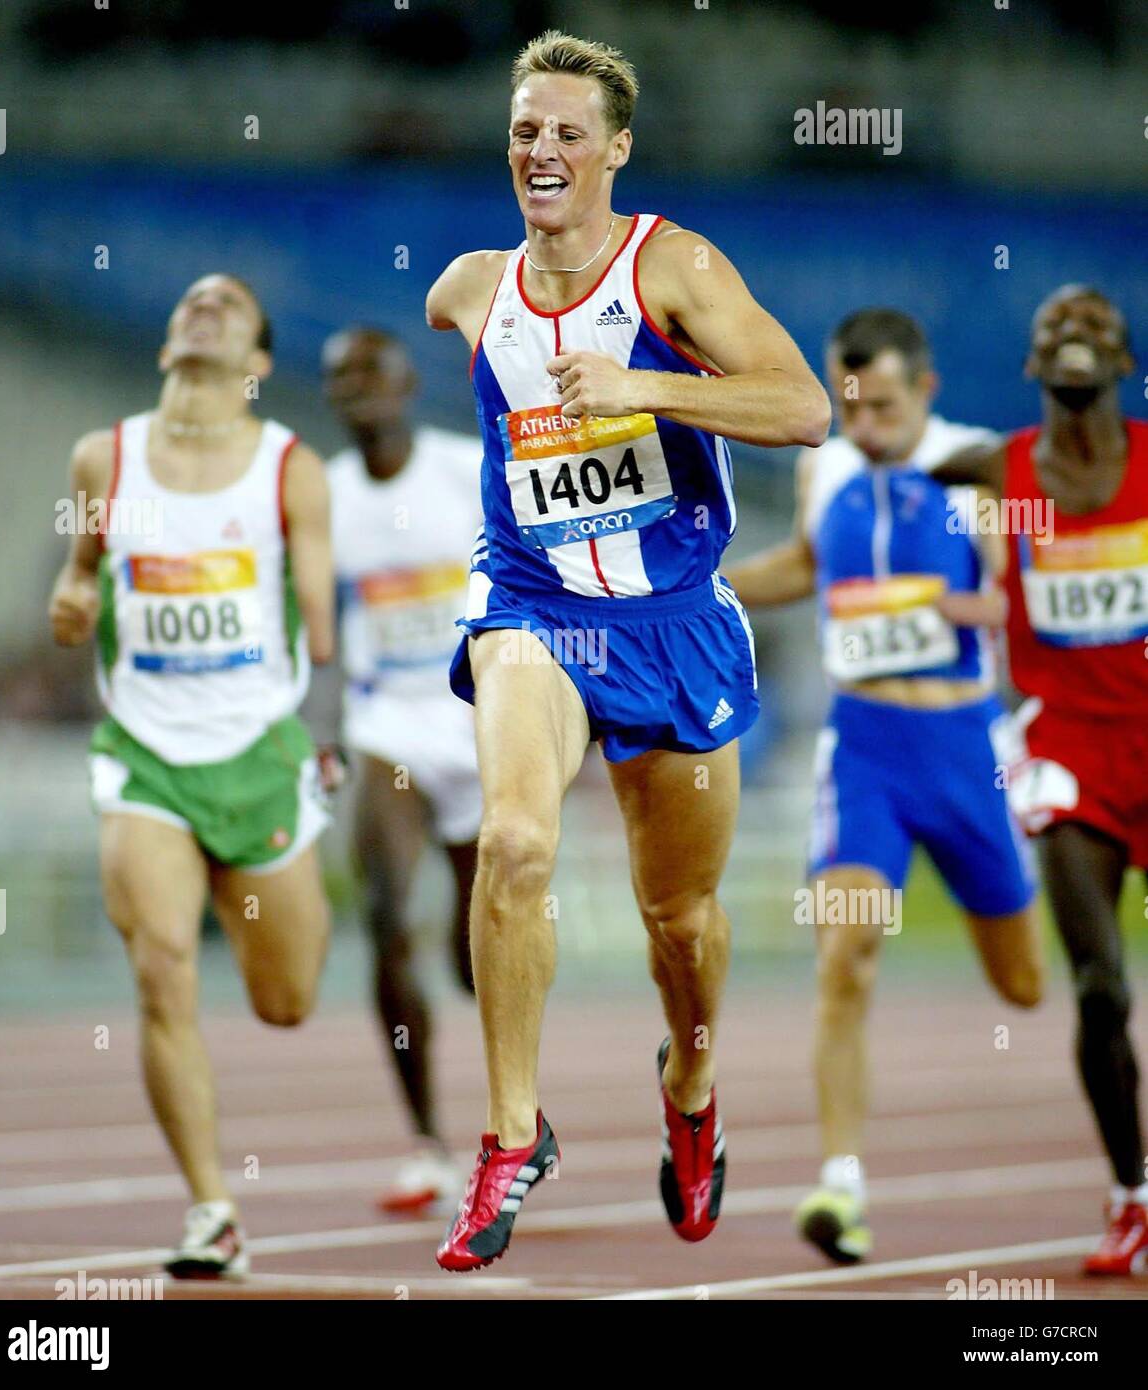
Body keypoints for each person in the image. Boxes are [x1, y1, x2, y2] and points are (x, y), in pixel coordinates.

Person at [424, 29, 829, 1271]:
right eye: (524, 130)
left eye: (564, 131)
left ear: (614, 149)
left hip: (672, 624)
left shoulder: (674, 267)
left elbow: (803, 407)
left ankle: (691, 1096)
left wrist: (649, 389)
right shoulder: (465, 289)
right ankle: (508, 1133)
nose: (540, 149)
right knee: (514, 842)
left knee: (680, 922)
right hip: (533, 606)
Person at [727, 307, 1043, 1263]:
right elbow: (805, 566)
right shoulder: (824, 462)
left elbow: (1018, 594)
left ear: (928, 390)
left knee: (1023, 984)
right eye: (850, 404)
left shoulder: (981, 465)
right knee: (847, 955)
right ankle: (840, 1185)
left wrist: (960, 602)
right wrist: (707, 589)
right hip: (862, 745)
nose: (862, 426)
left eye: (885, 407)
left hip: (964, 747)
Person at [48, 273, 334, 1279]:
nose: (202, 306)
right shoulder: (104, 455)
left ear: (257, 362)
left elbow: (323, 629)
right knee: (162, 963)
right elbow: (81, 567)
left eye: (230, 305)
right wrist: (73, 593)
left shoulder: (290, 469)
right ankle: (212, 1206)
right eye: (190, 301)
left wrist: (328, 738)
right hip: (145, 756)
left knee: (288, 997)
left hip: (259, 753)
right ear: (170, 340)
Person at [934, 285, 1148, 1276]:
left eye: (1089, 329)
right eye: (1050, 329)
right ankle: (1131, 1194)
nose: (1069, 337)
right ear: (1030, 367)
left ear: (1121, 361)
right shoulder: (1003, 471)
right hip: (1064, 749)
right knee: (1100, 986)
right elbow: (898, 459)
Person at [322, 325, 483, 1213]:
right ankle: (427, 1142)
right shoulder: (324, 496)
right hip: (386, 723)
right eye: (340, 377)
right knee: (385, 913)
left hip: (482, 719)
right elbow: (305, 618)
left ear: (408, 381)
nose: (358, 388)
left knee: (477, 955)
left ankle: (516, 1121)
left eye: (372, 371)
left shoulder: (466, 469)